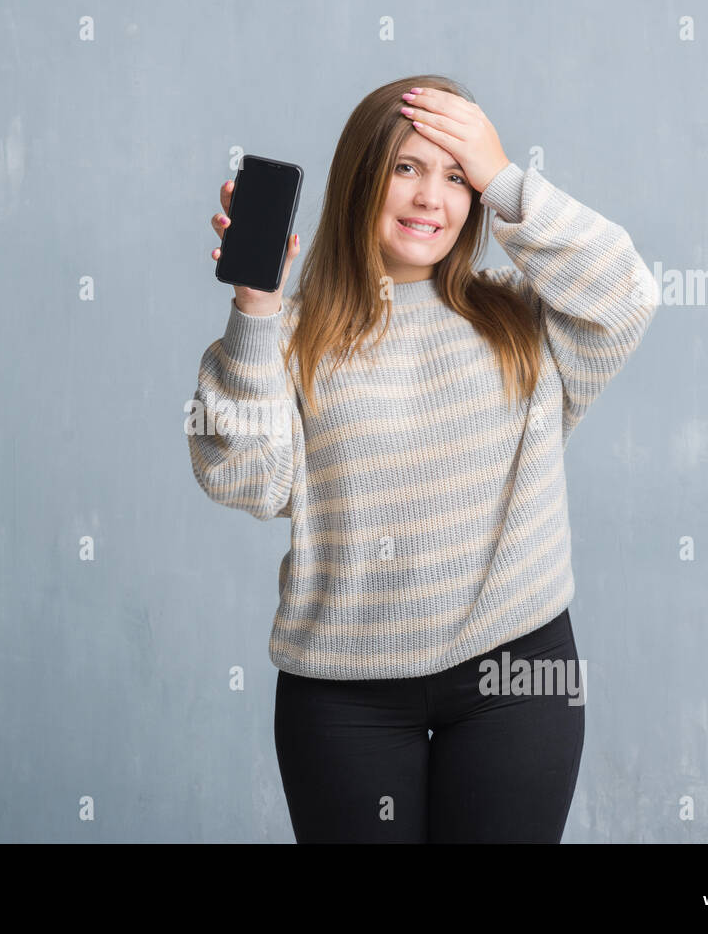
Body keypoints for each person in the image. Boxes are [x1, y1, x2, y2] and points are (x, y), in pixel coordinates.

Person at [186, 74, 658, 843]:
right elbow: (245, 475)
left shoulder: (521, 317)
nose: (430, 198)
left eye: (455, 174)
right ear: (362, 179)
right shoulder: (294, 337)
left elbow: (628, 292)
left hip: (516, 680)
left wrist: (507, 179)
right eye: (406, 168)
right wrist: (254, 311)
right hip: (344, 699)